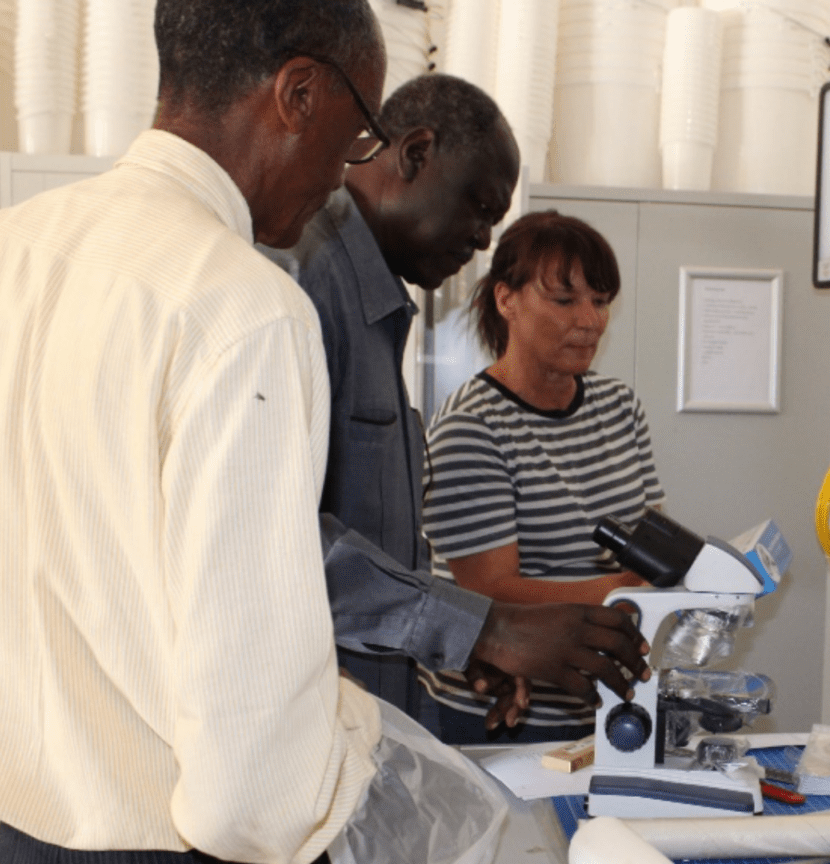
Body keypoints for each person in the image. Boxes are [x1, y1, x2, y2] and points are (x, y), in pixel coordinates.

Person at [0, 3, 640, 862]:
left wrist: (46, 726)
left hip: (24, 837)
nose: (344, 173)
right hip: (180, 841)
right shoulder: (248, 308)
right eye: (354, 136)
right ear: (299, 94)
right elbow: (249, 793)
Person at [271, 72, 647, 733]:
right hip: (305, 715)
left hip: (374, 710)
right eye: (480, 208)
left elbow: (382, 553)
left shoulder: (377, 309)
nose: (482, 242)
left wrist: (462, 644)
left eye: (599, 301)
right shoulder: (305, 283)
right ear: (415, 154)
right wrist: (481, 629)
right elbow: (277, 537)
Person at [421, 210, 667, 743]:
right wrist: (621, 591)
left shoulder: (620, 407)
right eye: (564, 300)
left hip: (604, 703)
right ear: (506, 299)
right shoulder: (471, 427)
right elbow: (488, 591)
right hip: (503, 713)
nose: (590, 320)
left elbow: (650, 542)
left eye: (600, 301)